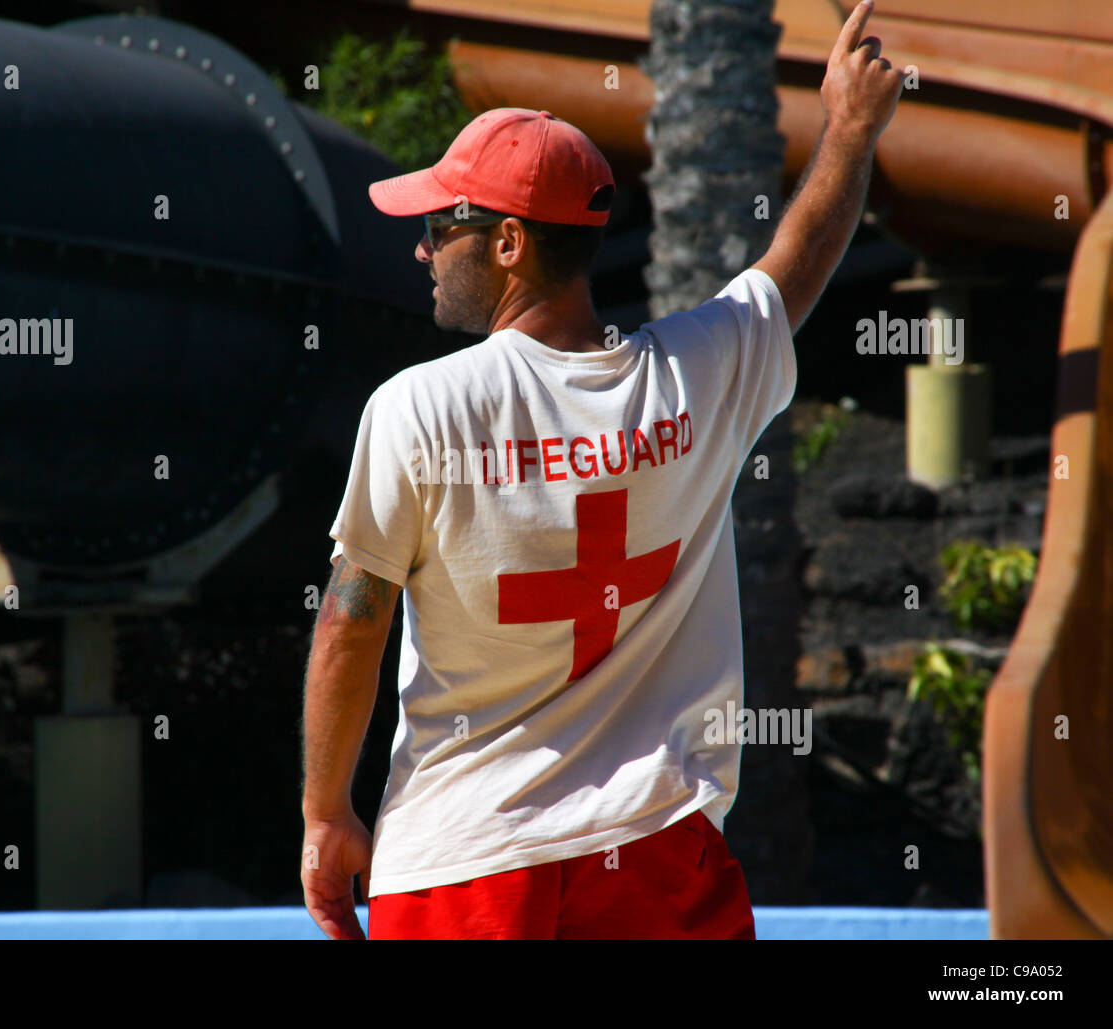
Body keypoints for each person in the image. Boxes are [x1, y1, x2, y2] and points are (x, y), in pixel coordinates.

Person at [300, 0, 903, 940]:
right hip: (657, 855)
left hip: (468, 862)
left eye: (441, 226)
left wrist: (327, 813)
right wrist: (852, 128)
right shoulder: (695, 377)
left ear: (510, 244)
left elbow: (351, 620)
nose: (421, 247)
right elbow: (800, 259)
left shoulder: (419, 407)